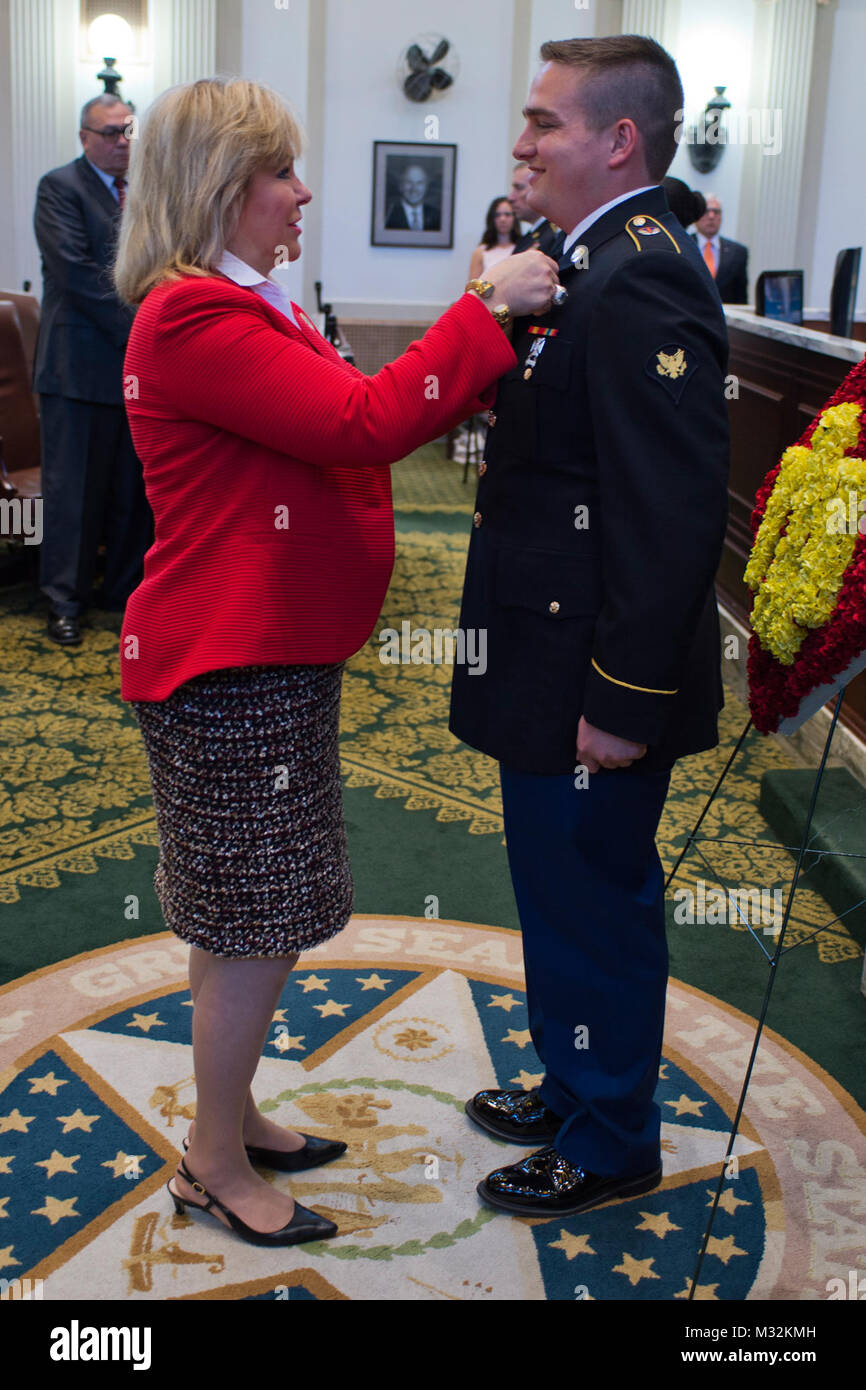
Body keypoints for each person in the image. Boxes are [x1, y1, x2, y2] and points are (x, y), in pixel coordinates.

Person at [113, 76, 559, 1247]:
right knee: (255, 920)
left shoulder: (240, 300)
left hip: (263, 658)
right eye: (279, 173)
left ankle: (233, 1111)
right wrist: (484, 303)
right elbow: (362, 422)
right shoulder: (192, 318)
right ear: (218, 188)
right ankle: (211, 1162)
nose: (301, 190)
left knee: (239, 913)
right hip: (228, 664)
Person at [450, 35, 730, 1219]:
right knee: (552, 886)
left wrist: (619, 702)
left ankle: (612, 1132)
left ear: (616, 141)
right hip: (541, 648)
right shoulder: (578, 258)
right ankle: (573, 1081)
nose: (518, 144)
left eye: (541, 122)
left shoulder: (642, 275)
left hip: (590, 674)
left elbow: (667, 520)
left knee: (594, 897)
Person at [32, 94, 153, 645]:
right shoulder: (59, 187)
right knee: (73, 495)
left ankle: (125, 594)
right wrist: (149, 330)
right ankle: (64, 602)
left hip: (136, 380)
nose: (121, 141)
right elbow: (77, 273)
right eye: (109, 133)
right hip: (76, 370)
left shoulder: (147, 195)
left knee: (134, 491)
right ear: (84, 136)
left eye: (128, 130)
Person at [691, 193, 748, 304]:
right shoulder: (683, 245)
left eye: (716, 212)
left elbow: (741, 297)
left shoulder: (738, 252)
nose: (711, 216)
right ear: (696, 216)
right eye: (706, 211)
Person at [510, 162, 561, 255]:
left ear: (541, 188)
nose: (511, 197)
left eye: (519, 188)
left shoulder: (556, 235)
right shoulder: (530, 237)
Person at [467, 197, 519, 280]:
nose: (502, 219)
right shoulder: (481, 252)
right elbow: (472, 288)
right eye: (497, 215)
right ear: (492, 219)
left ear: (515, 217)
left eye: (507, 214)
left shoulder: (523, 248)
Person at [384, 162, 441, 230]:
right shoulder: (387, 214)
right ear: (400, 186)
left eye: (419, 183)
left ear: (426, 186)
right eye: (409, 182)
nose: (414, 189)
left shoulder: (437, 215)